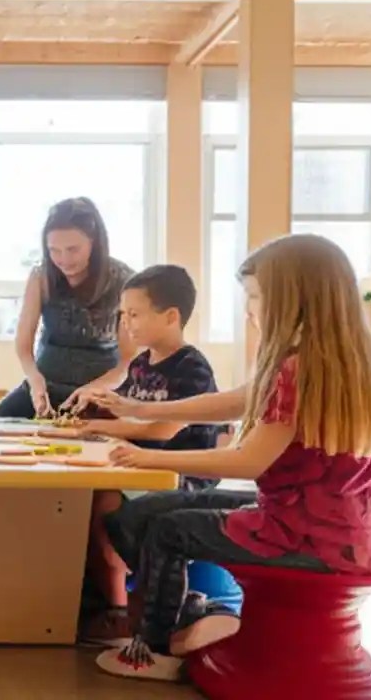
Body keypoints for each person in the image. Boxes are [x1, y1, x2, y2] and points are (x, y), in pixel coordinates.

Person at [73, 235, 371, 682]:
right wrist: (140, 409)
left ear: (292, 299)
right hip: (330, 527)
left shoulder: (297, 371)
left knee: (167, 529)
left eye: (255, 297)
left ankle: (153, 651)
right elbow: (229, 402)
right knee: (138, 515)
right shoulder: (328, 362)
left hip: (302, 535)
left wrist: (149, 457)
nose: (249, 310)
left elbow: (249, 463)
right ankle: (185, 609)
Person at [71, 265, 220, 647]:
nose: (126, 324)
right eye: (123, 315)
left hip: (180, 472)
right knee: (85, 493)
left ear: (171, 317)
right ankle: (103, 597)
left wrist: (104, 428)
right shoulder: (139, 364)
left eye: (134, 314)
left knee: (104, 502)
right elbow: (124, 409)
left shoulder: (192, 367)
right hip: (140, 464)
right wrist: (96, 408)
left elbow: (164, 429)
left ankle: (121, 610)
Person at [0, 197, 135, 419]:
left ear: (94, 243)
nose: (63, 259)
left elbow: (128, 361)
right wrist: (35, 383)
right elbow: (23, 346)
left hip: (99, 392)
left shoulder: (123, 280)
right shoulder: (41, 277)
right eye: (54, 250)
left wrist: (93, 389)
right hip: (46, 386)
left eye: (72, 249)